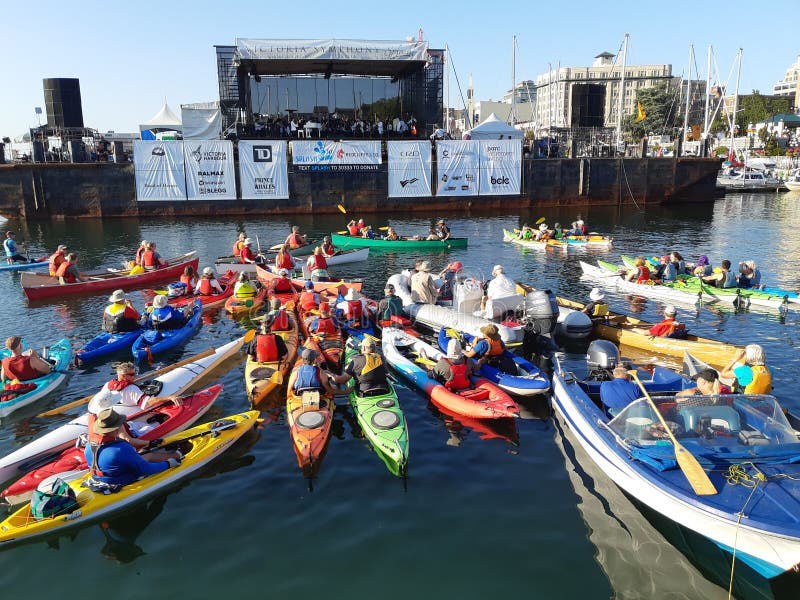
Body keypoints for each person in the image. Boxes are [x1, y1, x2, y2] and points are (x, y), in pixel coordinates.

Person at [84, 407, 182, 488]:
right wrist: (168, 464)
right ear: (117, 427)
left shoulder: (89, 445)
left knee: (145, 453)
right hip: (120, 481)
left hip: (97, 479)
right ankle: (177, 456)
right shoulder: (121, 449)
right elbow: (146, 469)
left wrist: (149, 443)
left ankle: (176, 455)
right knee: (147, 456)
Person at [88, 362, 182, 415]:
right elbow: (148, 403)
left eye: (135, 373)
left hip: (111, 409)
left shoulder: (108, 384)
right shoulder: (131, 389)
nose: (135, 376)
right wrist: (169, 397)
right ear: (123, 376)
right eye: (132, 374)